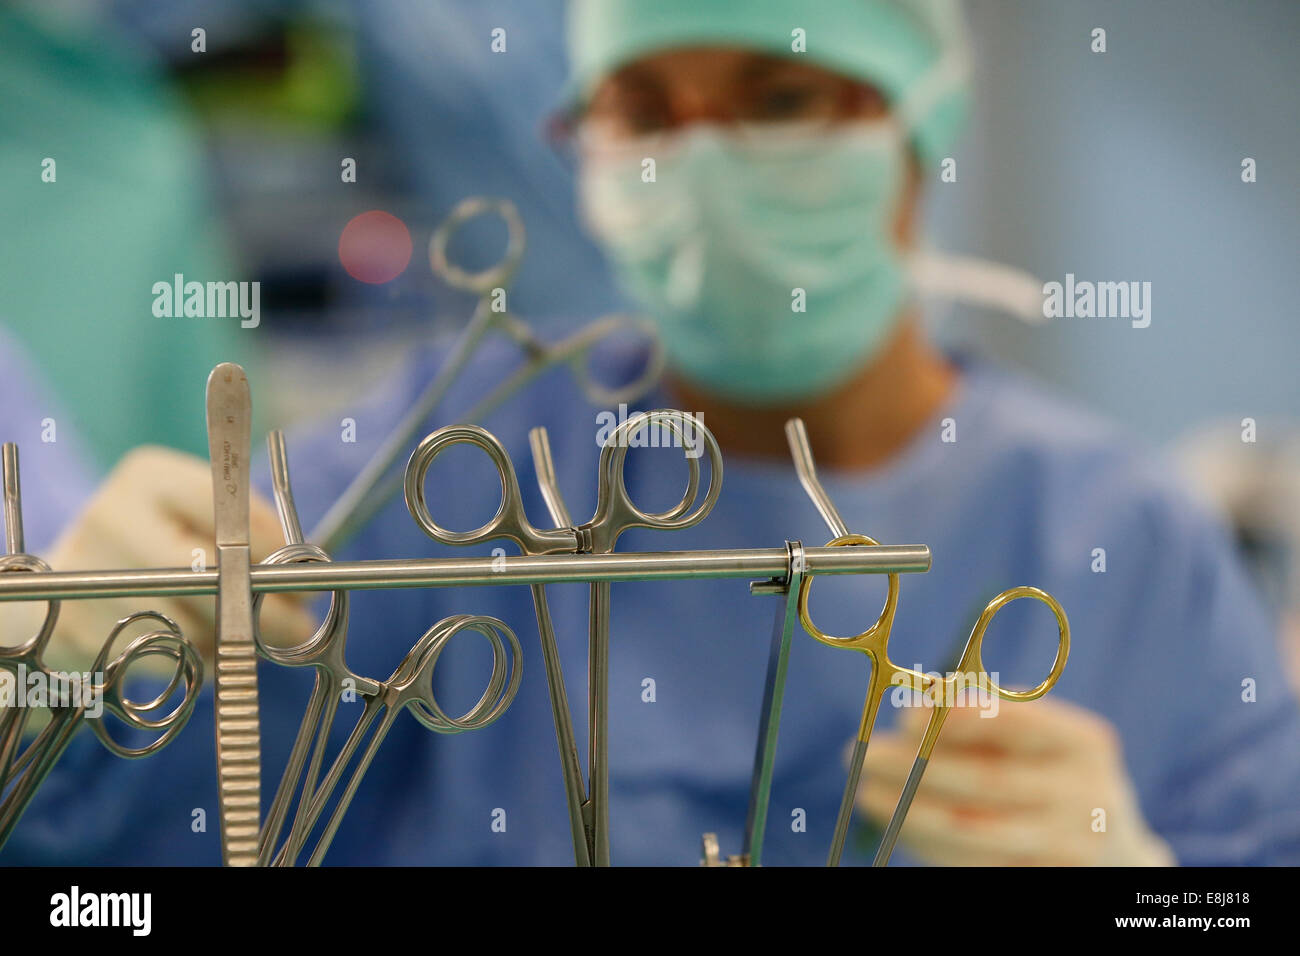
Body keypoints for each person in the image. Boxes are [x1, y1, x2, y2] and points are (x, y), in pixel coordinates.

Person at [4, 0, 1299, 866]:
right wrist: (55, 669)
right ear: (578, 137)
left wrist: (1151, 890)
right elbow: (102, 843)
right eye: (641, 112)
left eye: (778, 97)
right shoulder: (447, 467)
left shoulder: (1120, 539)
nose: (704, 162)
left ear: (918, 129)